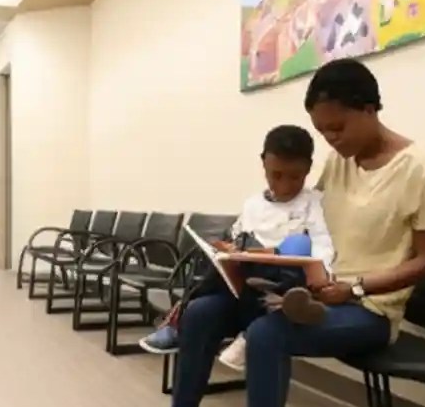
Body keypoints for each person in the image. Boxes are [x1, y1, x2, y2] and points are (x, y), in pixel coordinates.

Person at [118, 58, 425, 407]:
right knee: (203, 313)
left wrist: (353, 288)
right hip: (309, 290)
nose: (331, 141)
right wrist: (251, 250)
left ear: (370, 108)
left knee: (267, 335)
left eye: (337, 128)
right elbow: (308, 225)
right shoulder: (341, 162)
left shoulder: (422, 166)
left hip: (366, 307)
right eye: (323, 132)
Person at [136, 125, 335, 359]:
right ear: (264, 164)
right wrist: (228, 249)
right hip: (249, 275)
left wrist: (325, 276)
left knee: (298, 243)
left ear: (308, 169)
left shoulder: (314, 202)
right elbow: (238, 235)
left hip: (286, 278)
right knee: (216, 258)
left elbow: (323, 242)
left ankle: (182, 322)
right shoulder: (253, 204)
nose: (285, 185)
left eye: (295, 177)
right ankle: (189, 322)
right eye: (276, 175)